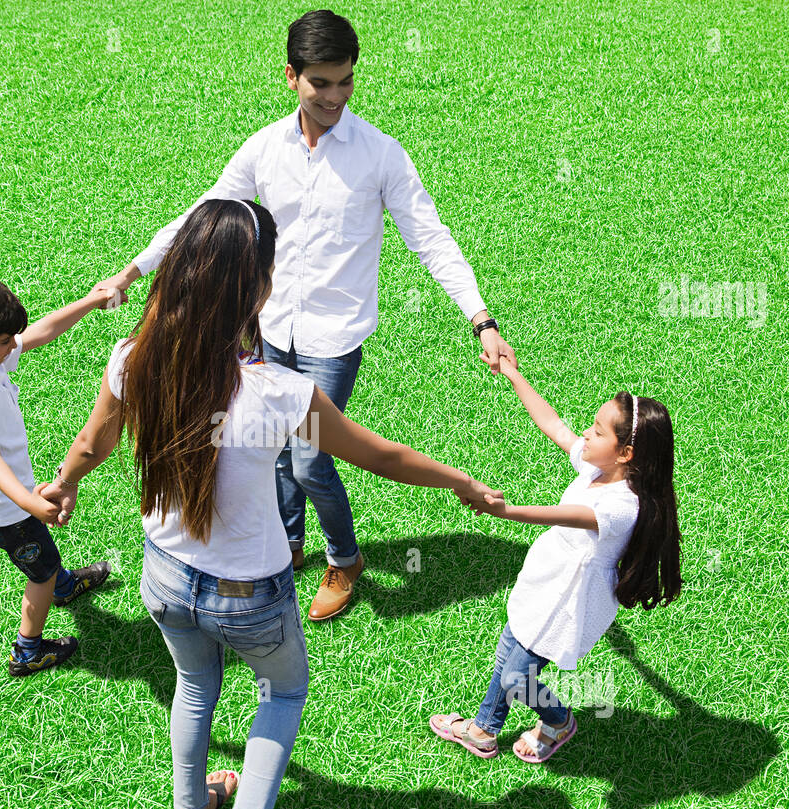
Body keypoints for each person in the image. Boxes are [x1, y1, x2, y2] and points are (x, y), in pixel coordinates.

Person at [39, 199, 502, 809]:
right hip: (251, 594)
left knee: (195, 686)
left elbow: (91, 443)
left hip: (164, 576)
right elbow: (381, 456)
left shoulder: (131, 359)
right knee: (282, 694)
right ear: (256, 286)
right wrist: (458, 480)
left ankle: (192, 808)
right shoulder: (282, 394)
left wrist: (65, 483)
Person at [90, 10, 516, 622]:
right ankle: (290, 543)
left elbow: (431, 238)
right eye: (322, 83)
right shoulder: (264, 149)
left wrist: (481, 319)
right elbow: (205, 214)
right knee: (272, 442)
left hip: (333, 337)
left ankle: (343, 558)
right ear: (292, 77)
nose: (336, 97)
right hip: (264, 327)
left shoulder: (381, 157)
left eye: (346, 82)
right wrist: (133, 271)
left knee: (312, 454)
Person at [433, 355, 683, 761]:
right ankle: (483, 729)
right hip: (550, 575)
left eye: (598, 431)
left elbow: (561, 515)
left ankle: (559, 720)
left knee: (517, 676)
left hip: (570, 597)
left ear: (625, 453)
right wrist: (514, 374)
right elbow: (553, 424)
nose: (586, 433)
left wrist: (504, 510)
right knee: (510, 643)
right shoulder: (595, 466)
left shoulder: (622, 507)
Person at [0, 275, 118, 677]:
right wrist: (29, 501)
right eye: (4, 342)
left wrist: (88, 302)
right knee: (40, 570)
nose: (12, 346)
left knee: (43, 554)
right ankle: (27, 650)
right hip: (2, 508)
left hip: (11, 499)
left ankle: (64, 587)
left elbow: (35, 335)